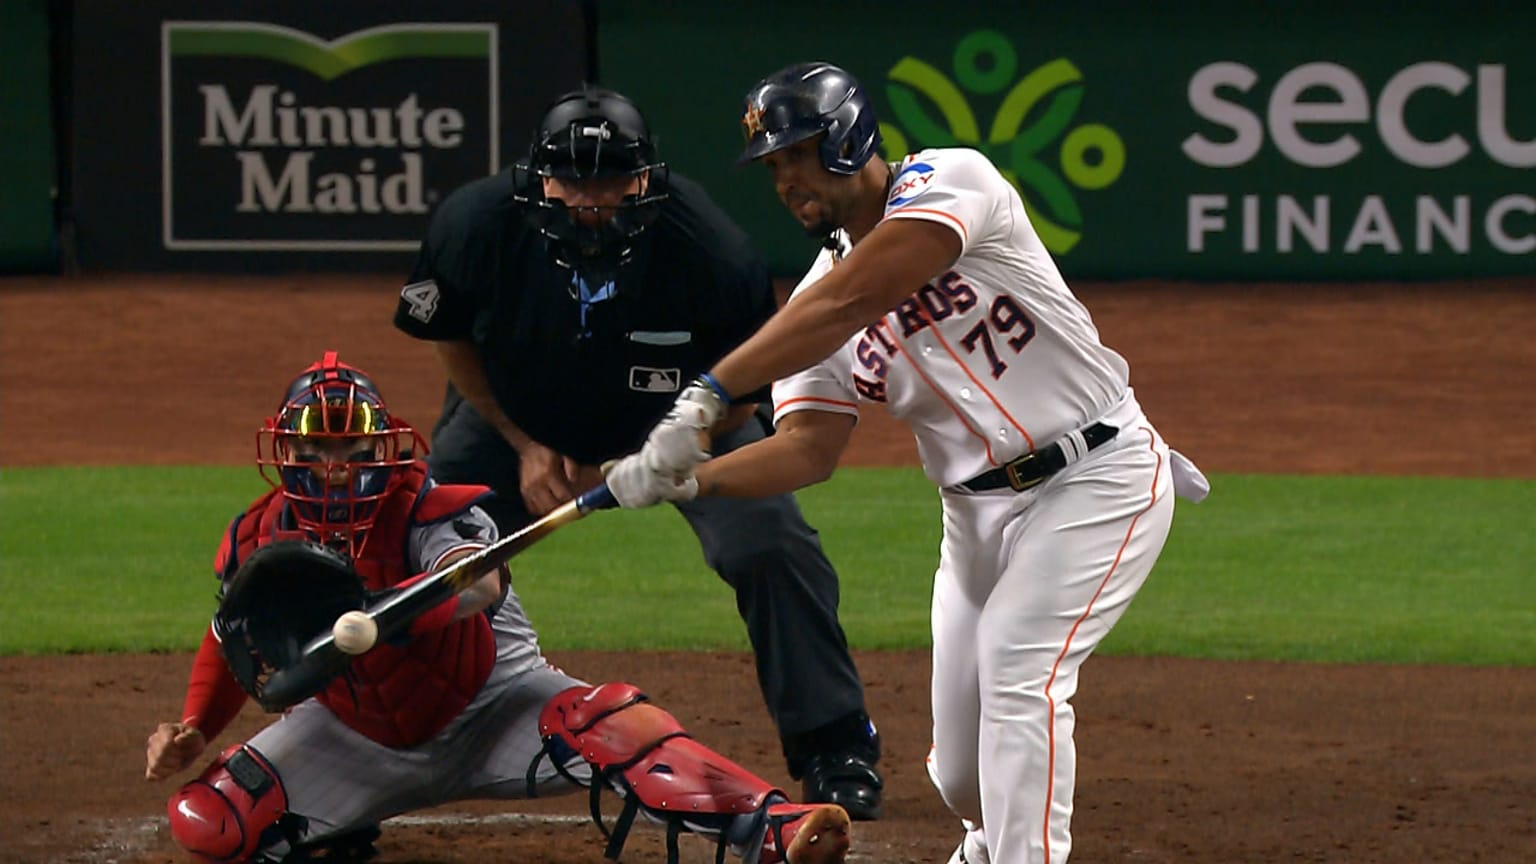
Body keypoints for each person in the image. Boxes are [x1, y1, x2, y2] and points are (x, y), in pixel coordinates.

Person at [605, 62, 1211, 864]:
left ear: (851, 137)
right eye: (775, 166)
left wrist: (712, 392)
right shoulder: (815, 307)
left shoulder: (951, 180)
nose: (788, 179)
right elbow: (808, 451)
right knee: (965, 778)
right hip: (974, 520)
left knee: (1018, 668)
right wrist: (694, 479)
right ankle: (989, 844)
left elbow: (860, 296)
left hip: (1096, 474)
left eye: (801, 153)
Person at [142, 352, 853, 864]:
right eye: (319, 449)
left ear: (380, 447)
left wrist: (382, 610)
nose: (336, 466)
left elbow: (476, 585)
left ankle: (772, 825)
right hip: (353, 740)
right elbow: (234, 636)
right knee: (209, 821)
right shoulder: (259, 539)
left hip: (494, 707)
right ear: (289, 453)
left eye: (351, 446)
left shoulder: (425, 507)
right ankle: (334, 826)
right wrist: (196, 726)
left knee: (611, 723)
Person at [391, 86, 884, 819]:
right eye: (573, 181)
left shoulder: (711, 248)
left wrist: (665, 460)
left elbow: (746, 390)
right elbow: (452, 337)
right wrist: (525, 444)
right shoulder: (477, 222)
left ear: (647, 177)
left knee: (770, 544)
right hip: (513, 413)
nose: (591, 201)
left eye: (612, 181)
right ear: (538, 179)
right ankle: (378, 738)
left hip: (682, 418)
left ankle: (836, 748)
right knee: (421, 544)